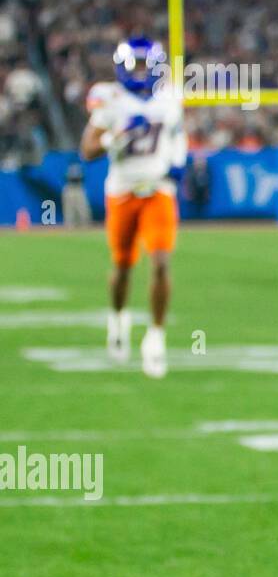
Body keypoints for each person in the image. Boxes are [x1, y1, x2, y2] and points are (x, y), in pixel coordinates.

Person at [79, 38, 186, 378]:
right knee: (123, 267)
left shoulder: (170, 96)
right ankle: (119, 317)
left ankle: (155, 338)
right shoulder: (110, 98)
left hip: (157, 190)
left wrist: (178, 163)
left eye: (145, 65)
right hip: (122, 190)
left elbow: (177, 136)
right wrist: (117, 136)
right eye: (135, 66)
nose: (140, 73)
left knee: (161, 262)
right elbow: (88, 149)